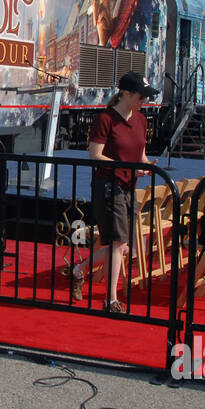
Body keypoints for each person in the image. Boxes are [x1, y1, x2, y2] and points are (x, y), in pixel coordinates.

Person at [68, 73, 159, 313]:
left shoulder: (140, 120)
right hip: (109, 185)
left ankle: (80, 269)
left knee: (124, 246)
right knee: (118, 243)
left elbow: (140, 156)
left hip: (129, 186)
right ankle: (111, 300)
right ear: (126, 94)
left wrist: (146, 167)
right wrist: (126, 167)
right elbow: (95, 155)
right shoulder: (106, 119)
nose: (145, 101)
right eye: (142, 96)